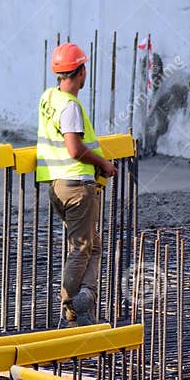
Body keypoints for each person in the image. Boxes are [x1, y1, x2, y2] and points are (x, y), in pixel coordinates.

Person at [36, 43, 117, 327]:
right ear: (81, 71)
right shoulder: (70, 106)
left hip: (57, 184)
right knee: (82, 248)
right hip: (77, 184)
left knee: (92, 246)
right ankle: (71, 311)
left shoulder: (49, 97)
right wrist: (104, 164)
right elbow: (73, 147)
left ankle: (85, 297)